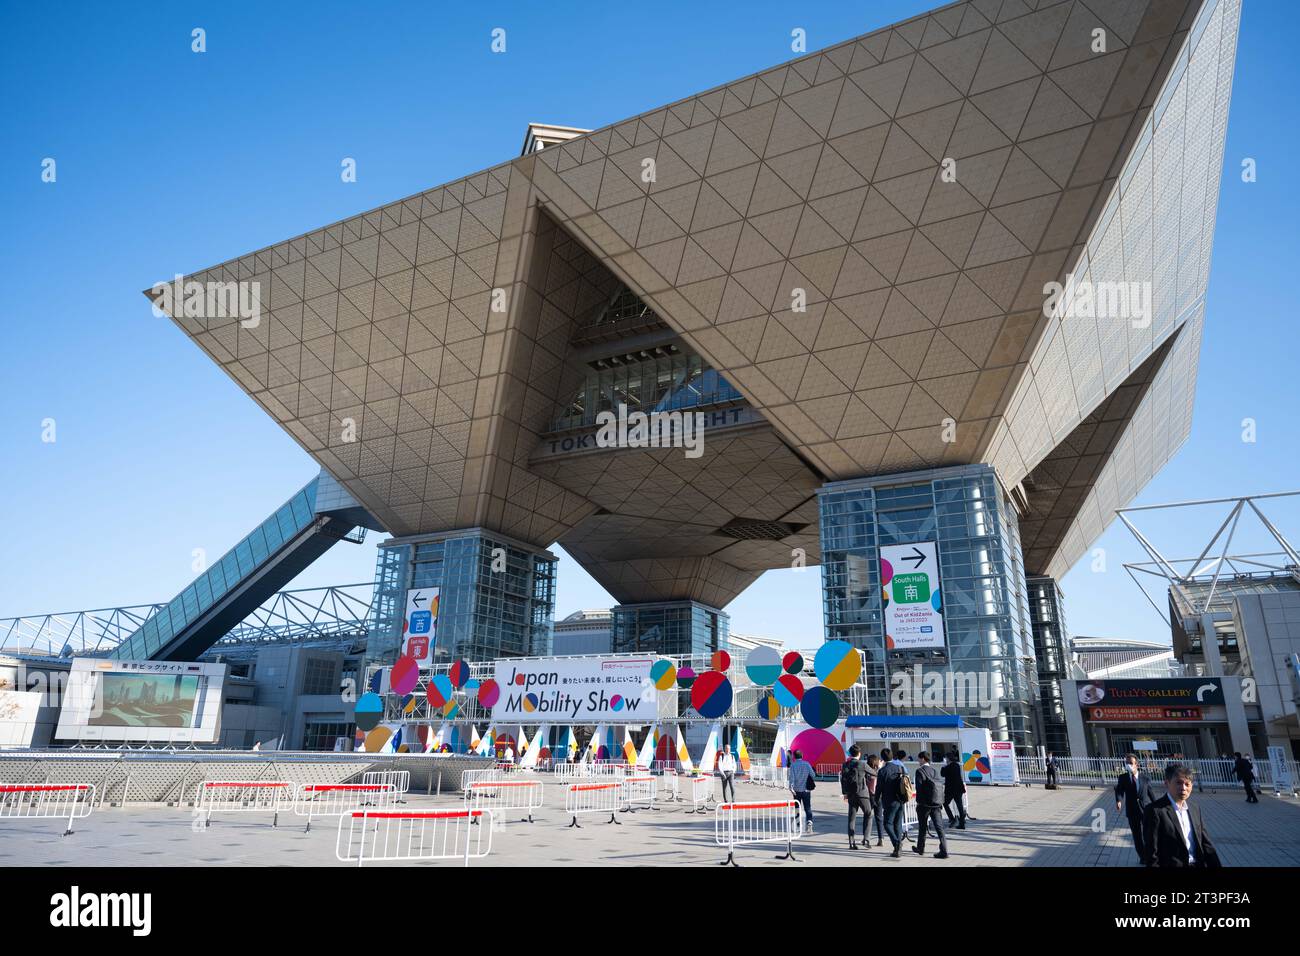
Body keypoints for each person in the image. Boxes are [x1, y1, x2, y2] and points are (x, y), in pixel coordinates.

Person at [1144, 763, 1222, 868]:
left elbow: (1206, 843)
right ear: (1167, 783)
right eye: (1178, 783)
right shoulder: (1155, 811)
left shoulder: (1194, 809)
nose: (1183, 788)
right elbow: (1151, 852)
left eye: (1187, 784)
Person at [1115, 753, 1158, 865]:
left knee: (1148, 834)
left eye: (1130, 763)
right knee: (1137, 836)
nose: (1128, 765)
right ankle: (1143, 857)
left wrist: (1157, 806)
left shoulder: (1145, 778)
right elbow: (1119, 790)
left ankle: (1151, 855)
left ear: (1136, 765)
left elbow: (1151, 793)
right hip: (1132, 811)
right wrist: (1119, 800)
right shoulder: (1123, 778)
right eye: (1126, 763)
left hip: (1146, 809)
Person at [912, 752, 949, 859]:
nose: (918, 761)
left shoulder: (920, 771)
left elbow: (919, 788)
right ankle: (944, 850)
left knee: (923, 827)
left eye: (919, 759)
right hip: (936, 803)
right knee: (939, 828)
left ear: (923, 759)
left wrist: (919, 802)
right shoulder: (934, 770)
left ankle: (921, 848)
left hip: (924, 804)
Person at [840, 744, 872, 849]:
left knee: (851, 818)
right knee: (868, 813)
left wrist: (845, 793)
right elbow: (874, 773)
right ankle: (866, 839)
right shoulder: (862, 764)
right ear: (859, 753)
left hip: (851, 794)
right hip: (862, 794)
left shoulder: (845, 764)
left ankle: (851, 842)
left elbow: (843, 779)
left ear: (850, 753)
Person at [878, 748, 908, 857]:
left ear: (882, 758)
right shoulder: (900, 768)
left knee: (887, 824)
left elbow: (879, 788)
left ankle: (897, 843)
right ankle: (897, 849)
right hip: (900, 799)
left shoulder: (882, 771)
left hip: (889, 801)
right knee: (897, 824)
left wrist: (876, 800)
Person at [788, 749, 816, 832]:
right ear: (802, 756)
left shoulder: (793, 765)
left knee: (797, 807)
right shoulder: (807, 764)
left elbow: (791, 778)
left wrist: (791, 788)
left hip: (796, 790)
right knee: (808, 807)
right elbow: (813, 775)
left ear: (794, 757)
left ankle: (798, 824)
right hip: (806, 790)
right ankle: (809, 822)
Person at [941, 751, 967, 829]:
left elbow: (942, 774)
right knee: (960, 806)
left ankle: (952, 819)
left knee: (945, 803)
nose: (945, 759)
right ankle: (962, 823)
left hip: (951, 789)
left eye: (945, 758)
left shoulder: (948, 766)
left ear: (948, 758)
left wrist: (944, 766)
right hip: (958, 788)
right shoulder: (957, 765)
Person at [864, 753, 884, 847]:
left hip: (868, 796)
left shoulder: (866, 772)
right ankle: (881, 838)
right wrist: (880, 767)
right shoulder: (878, 772)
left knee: (867, 816)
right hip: (878, 796)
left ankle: (866, 837)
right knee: (879, 817)